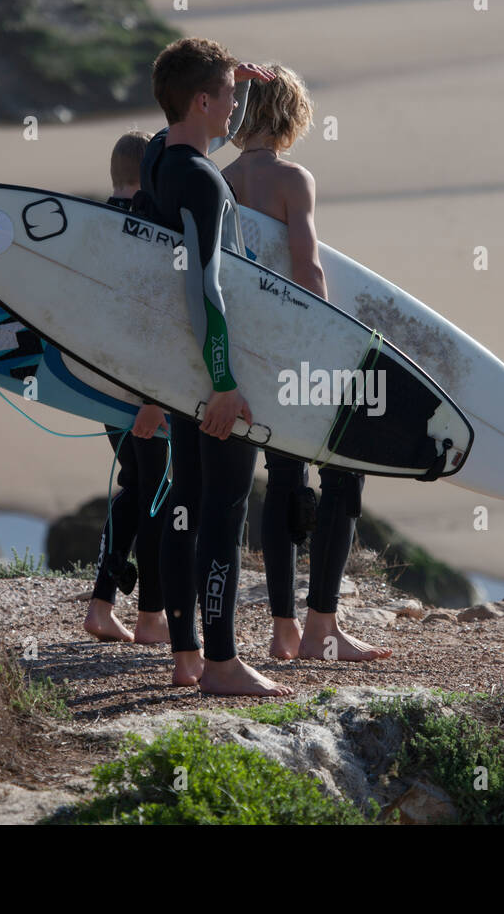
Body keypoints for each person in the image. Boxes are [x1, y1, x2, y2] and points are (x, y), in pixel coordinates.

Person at [221, 64, 390, 663]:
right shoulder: (294, 178)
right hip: (297, 348)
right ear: (290, 117)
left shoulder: (218, 179)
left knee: (283, 479)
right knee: (343, 474)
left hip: (247, 353)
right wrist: (328, 341)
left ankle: (281, 628)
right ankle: (323, 628)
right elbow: (308, 267)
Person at [140, 38, 293, 696]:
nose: (237, 108)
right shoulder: (203, 182)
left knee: (185, 504)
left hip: (177, 365)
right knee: (223, 511)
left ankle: (186, 655)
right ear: (203, 102)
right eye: (230, 97)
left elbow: (169, 119)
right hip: (212, 367)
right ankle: (224, 663)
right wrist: (226, 383)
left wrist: (233, 73)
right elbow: (206, 286)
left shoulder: (159, 163)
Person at [83, 130, 173, 645]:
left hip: (100, 383)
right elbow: (149, 319)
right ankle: (151, 618)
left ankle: (101, 605)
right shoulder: (147, 226)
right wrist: (152, 398)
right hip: (141, 389)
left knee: (135, 487)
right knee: (158, 491)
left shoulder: (95, 224)